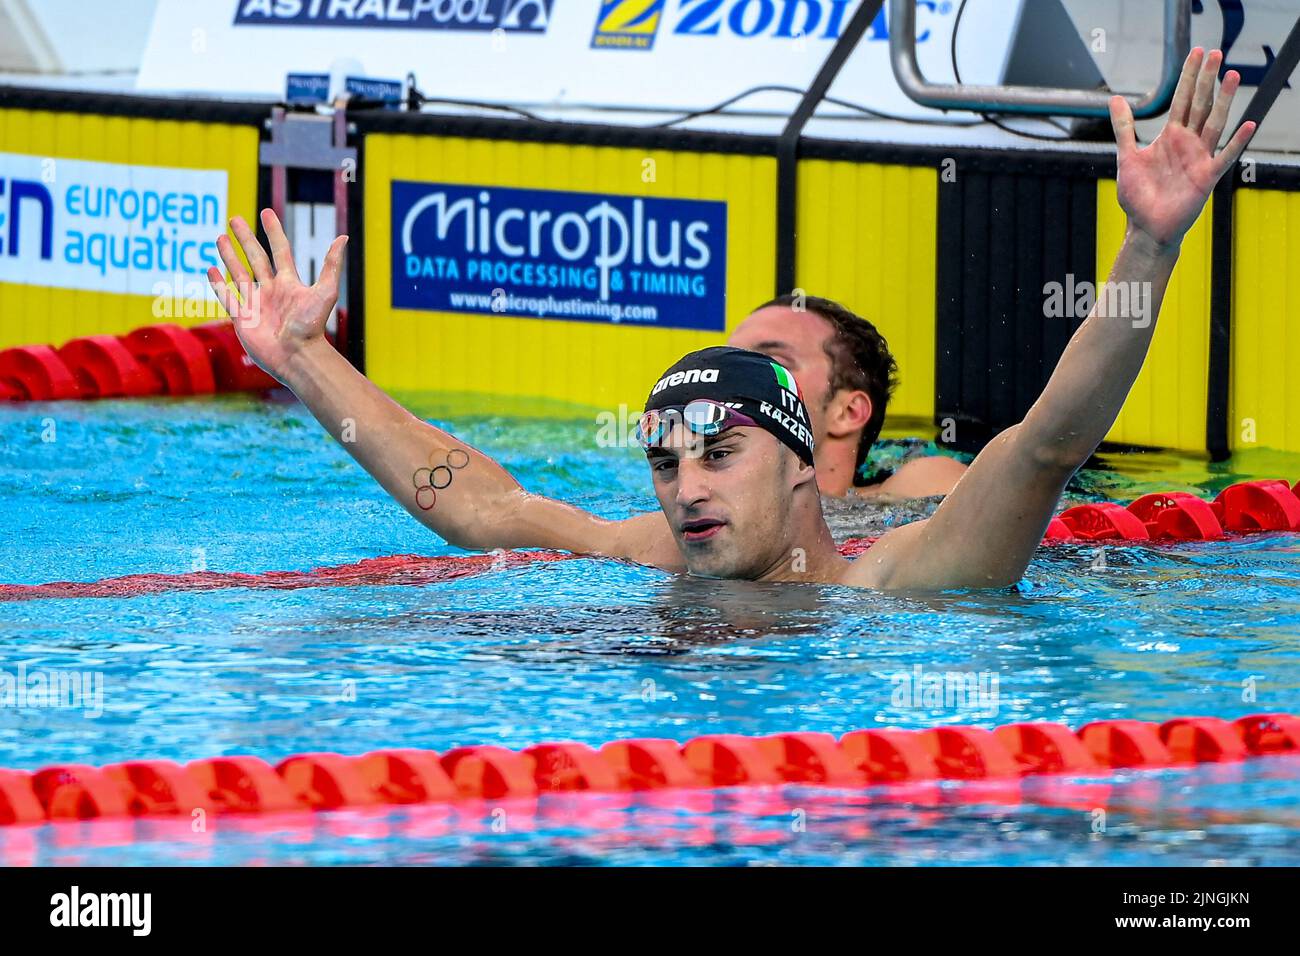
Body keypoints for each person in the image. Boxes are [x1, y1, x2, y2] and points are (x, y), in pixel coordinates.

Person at [208, 49, 1253, 591]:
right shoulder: (649, 554)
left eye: (714, 451)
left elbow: (1050, 443)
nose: (686, 486)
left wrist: (1151, 242)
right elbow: (482, 503)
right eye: (664, 463)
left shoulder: (897, 577)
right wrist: (303, 360)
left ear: (809, 454)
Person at [728, 294, 968, 499]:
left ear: (848, 413)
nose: (728, 378)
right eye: (727, 362)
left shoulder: (914, 489)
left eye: (773, 363)